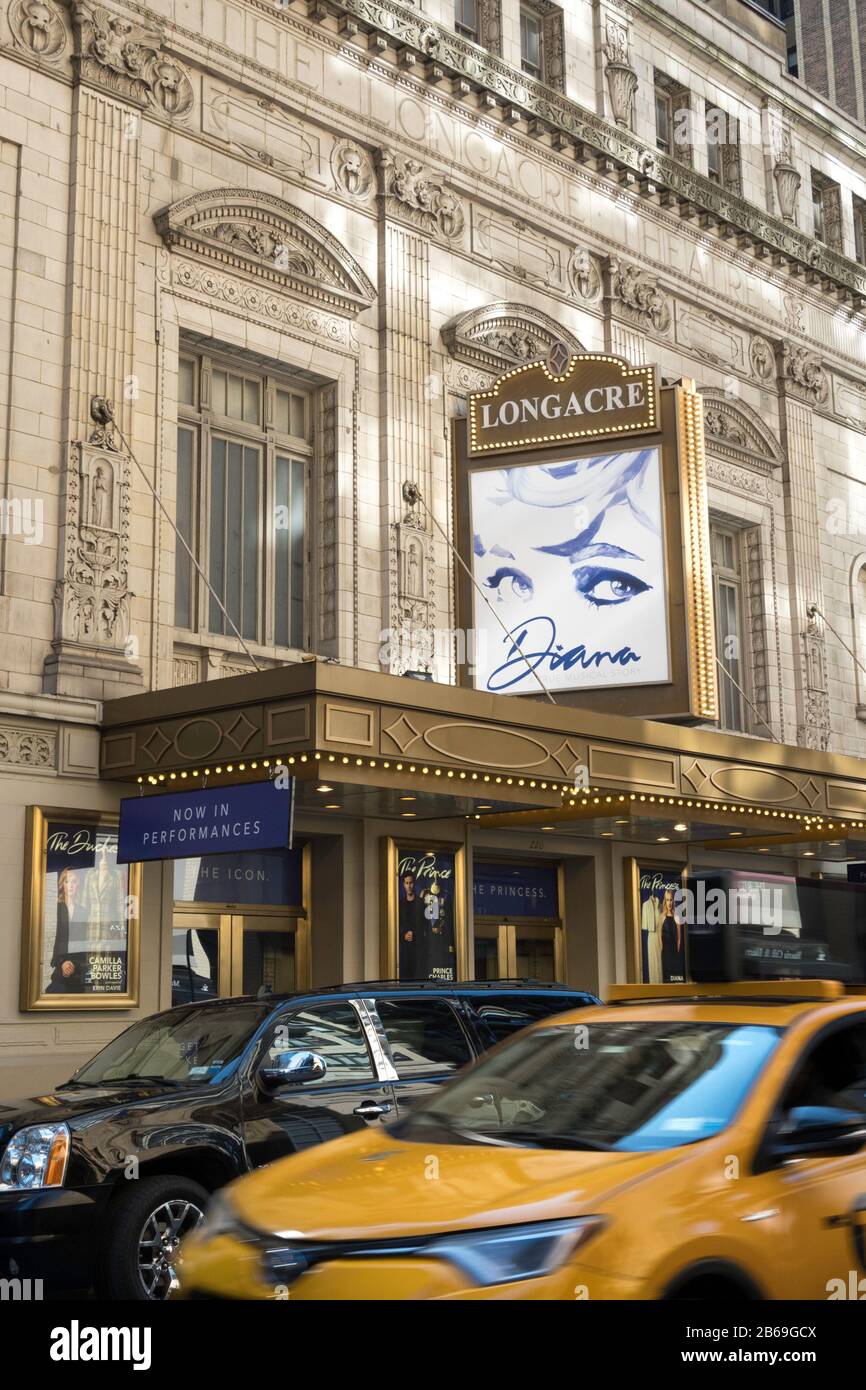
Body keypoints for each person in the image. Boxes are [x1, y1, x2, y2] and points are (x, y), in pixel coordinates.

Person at [47, 867, 80, 993]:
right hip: (59, 967)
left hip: (78, 967)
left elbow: (83, 942)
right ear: (62, 885)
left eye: (73, 881)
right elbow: (56, 939)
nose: (70, 885)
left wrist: (73, 964)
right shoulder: (56, 909)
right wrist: (62, 962)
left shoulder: (83, 910)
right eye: (66, 882)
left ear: (78, 885)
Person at [660, 887, 685, 983]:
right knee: (667, 979)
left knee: (676, 978)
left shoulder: (677, 916)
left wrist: (676, 954)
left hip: (675, 953)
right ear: (665, 901)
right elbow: (659, 937)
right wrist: (663, 951)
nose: (669, 902)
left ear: (673, 901)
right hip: (665, 953)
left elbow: (679, 938)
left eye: (671, 900)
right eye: (667, 900)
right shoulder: (661, 917)